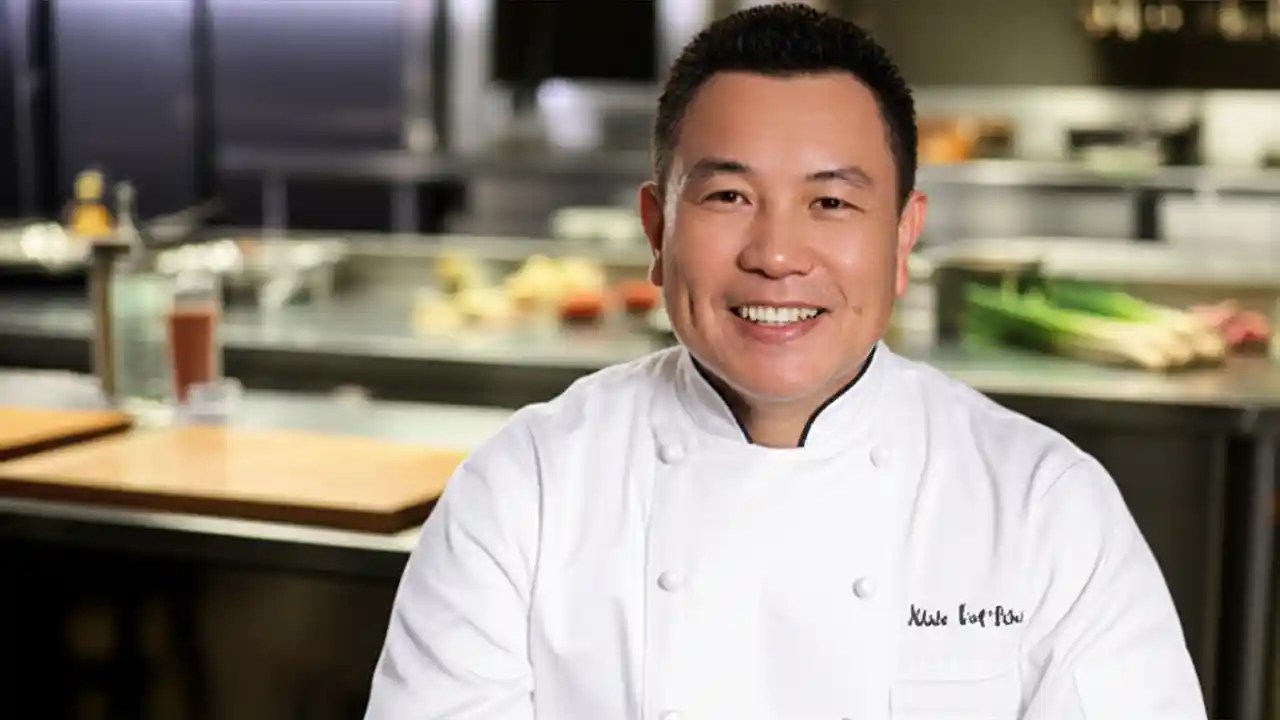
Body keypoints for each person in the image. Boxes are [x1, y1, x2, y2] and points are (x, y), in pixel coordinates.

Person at [364, 5, 1206, 719]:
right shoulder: (524, 493)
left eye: (830, 201)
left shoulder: (1046, 508)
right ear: (657, 230)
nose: (775, 255)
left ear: (903, 238)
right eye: (729, 196)